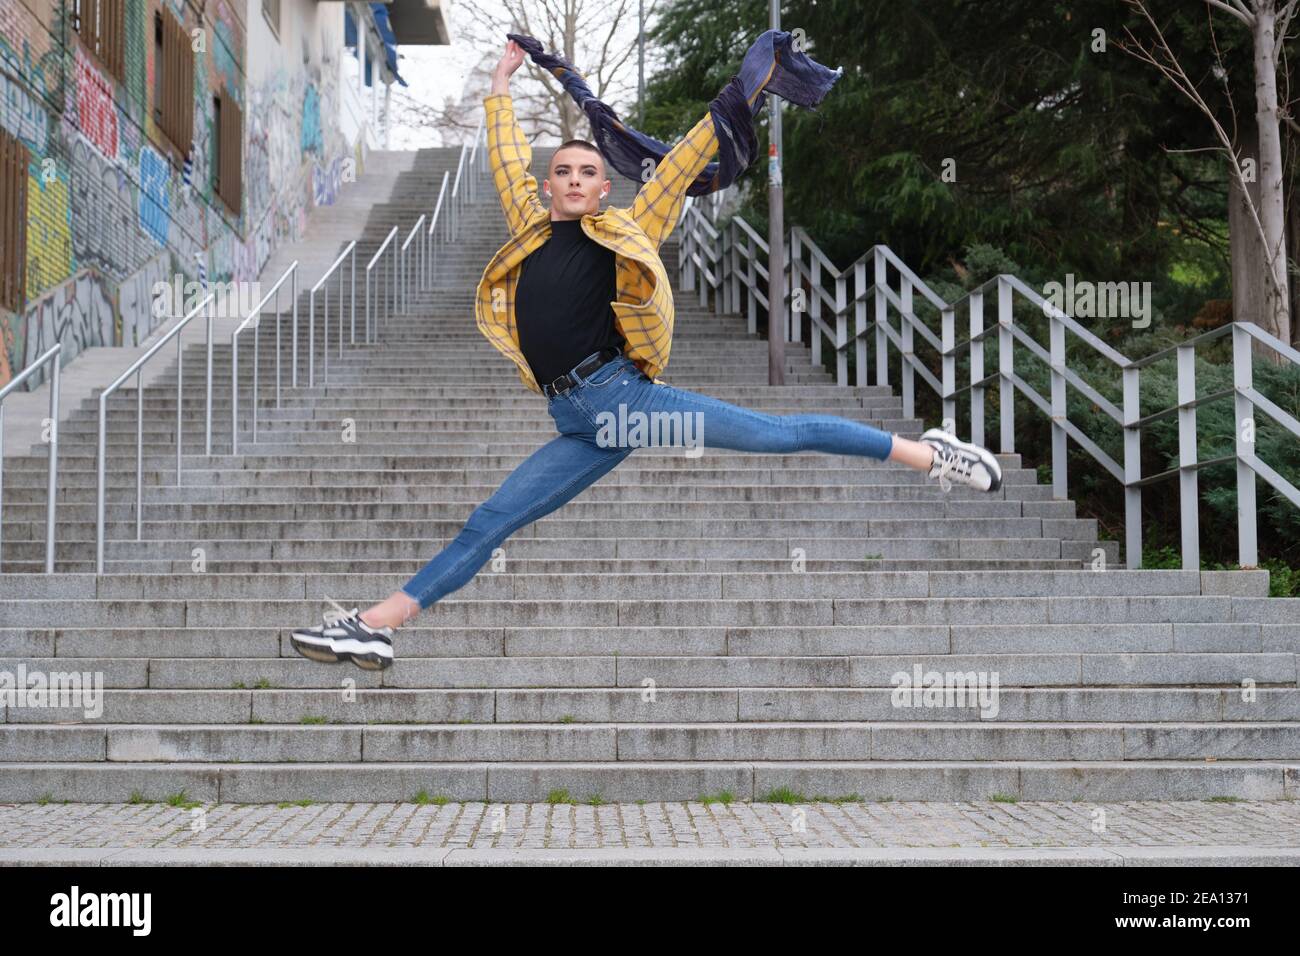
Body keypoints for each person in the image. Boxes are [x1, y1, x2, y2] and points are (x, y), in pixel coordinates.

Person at [290, 39, 1002, 671]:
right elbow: (506, 160)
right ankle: (373, 628)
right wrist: (500, 86)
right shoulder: (530, 231)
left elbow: (681, 162)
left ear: (604, 187)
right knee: (490, 521)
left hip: (627, 405)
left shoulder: (629, 229)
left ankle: (933, 455)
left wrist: (742, 92)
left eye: (587, 172)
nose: (572, 179)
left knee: (779, 436)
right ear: (549, 186)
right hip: (576, 424)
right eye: (562, 170)